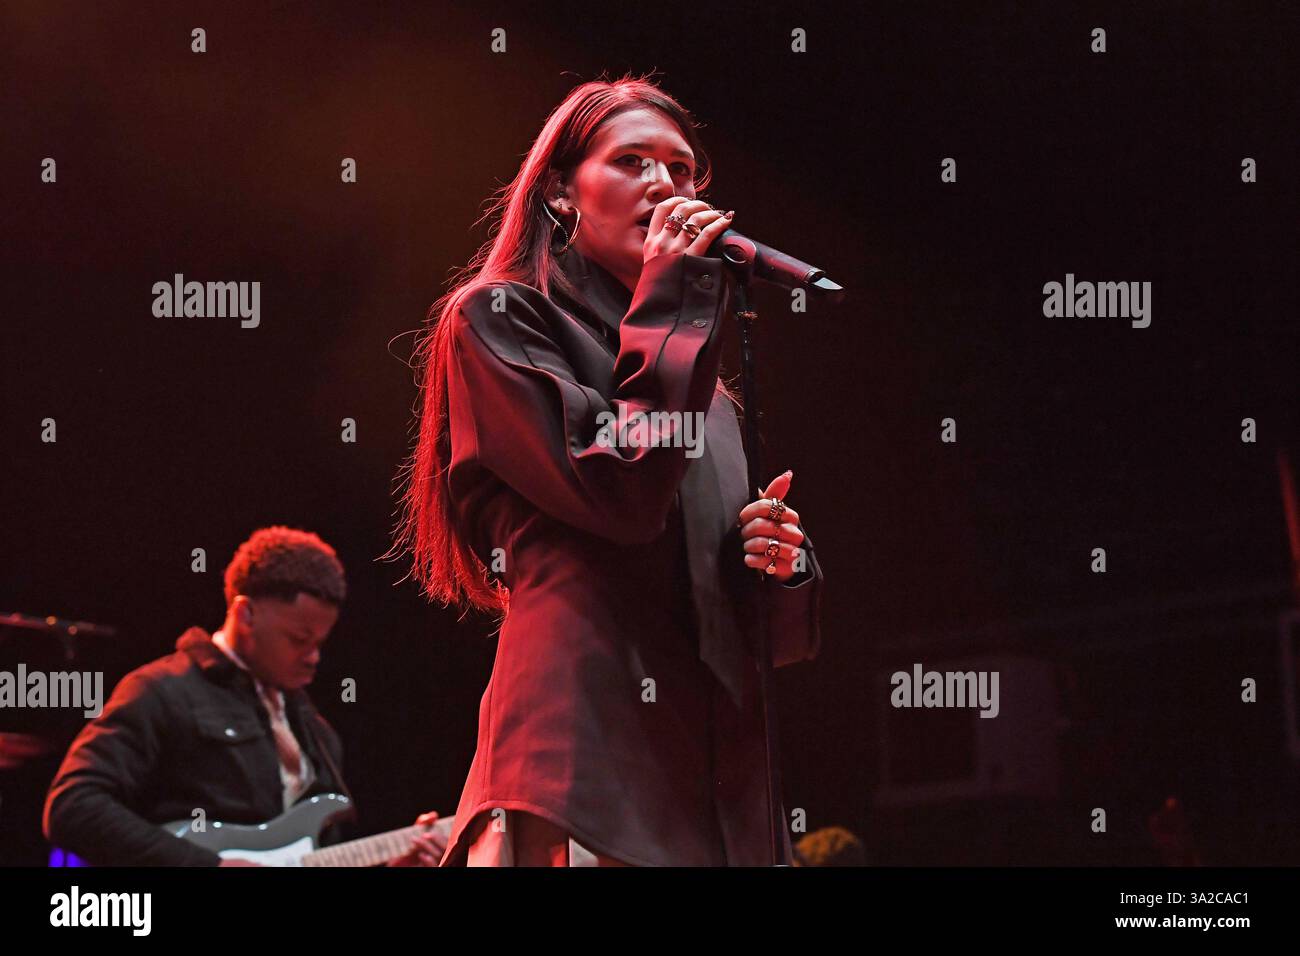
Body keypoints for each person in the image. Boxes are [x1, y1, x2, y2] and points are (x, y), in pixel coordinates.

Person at [391, 75, 824, 867]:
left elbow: (768, 639)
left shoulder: (709, 397)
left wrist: (775, 563)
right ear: (560, 192)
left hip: (718, 778)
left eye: (683, 169)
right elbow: (617, 496)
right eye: (631, 161)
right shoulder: (498, 320)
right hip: (581, 761)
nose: (665, 185)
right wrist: (676, 303)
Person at [43, 526, 446, 866]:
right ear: (245, 614)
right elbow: (72, 806)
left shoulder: (315, 731)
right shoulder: (162, 690)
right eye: (299, 639)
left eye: (321, 642)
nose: (313, 658)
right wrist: (208, 865)